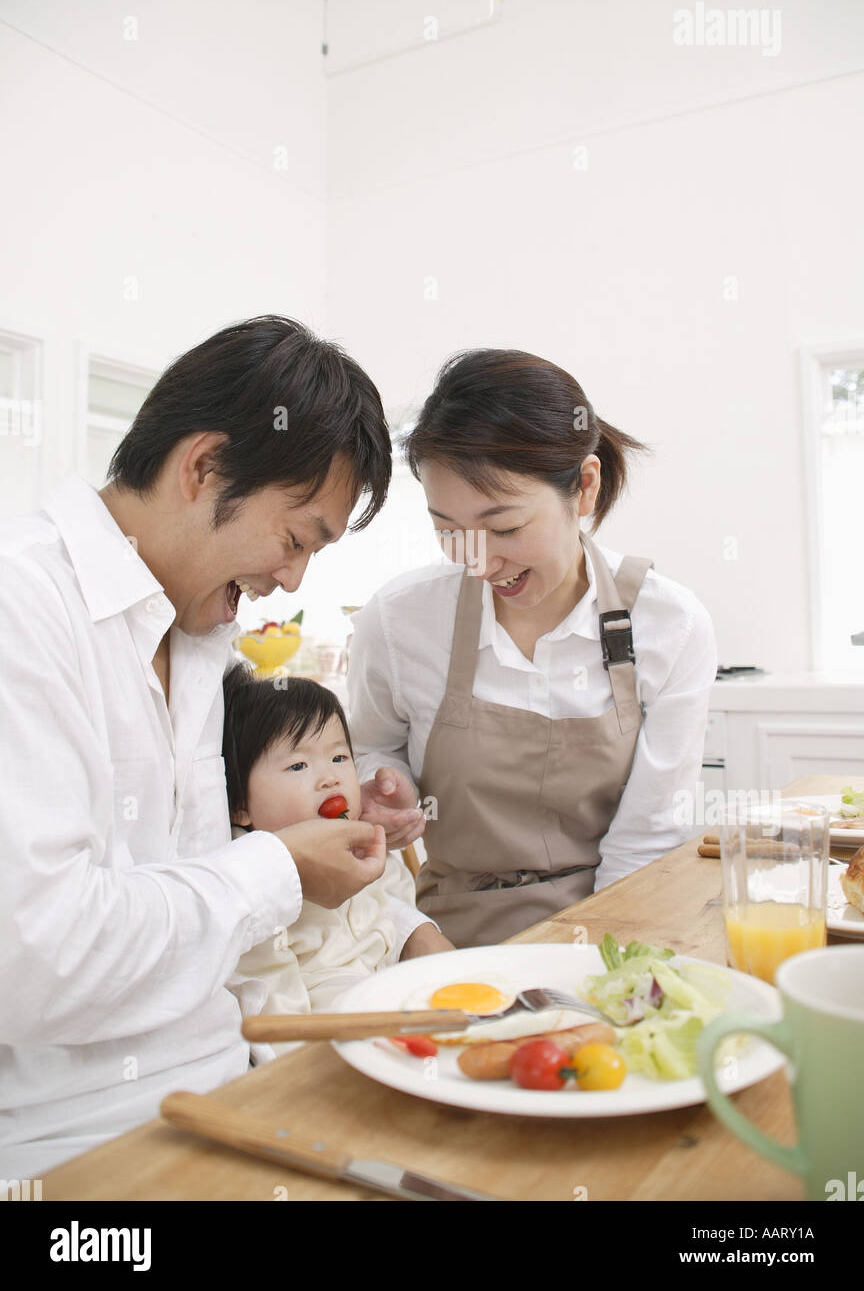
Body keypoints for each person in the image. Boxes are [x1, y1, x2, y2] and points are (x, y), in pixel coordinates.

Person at [0, 315, 434, 1180]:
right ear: (202, 468)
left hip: (235, 1083)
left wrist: (333, 819)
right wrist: (279, 865)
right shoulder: (25, 609)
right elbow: (35, 958)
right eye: (297, 536)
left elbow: (189, 884)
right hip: (81, 1144)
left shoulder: (198, 637)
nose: (293, 578)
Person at [347, 348, 718, 948]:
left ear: (585, 487)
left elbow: (648, 837)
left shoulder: (669, 626)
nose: (479, 560)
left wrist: (595, 970)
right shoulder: (397, 620)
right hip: (447, 940)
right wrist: (384, 792)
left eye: (506, 528)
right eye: (448, 530)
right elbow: (369, 755)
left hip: (617, 926)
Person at [222, 663, 454, 1057]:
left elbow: (389, 916)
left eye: (339, 758)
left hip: (408, 1022)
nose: (329, 778)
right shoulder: (256, 903)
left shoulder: (360, 846)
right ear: (241, 806)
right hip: (339, 1052)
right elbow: (279, 1021)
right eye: (298, 765)